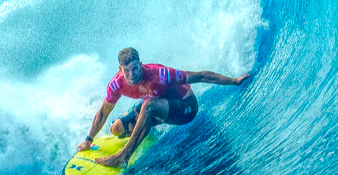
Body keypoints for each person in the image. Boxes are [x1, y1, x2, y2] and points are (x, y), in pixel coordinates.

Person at [77, 47, 252, 167]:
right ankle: (146, 128)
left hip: (185, 107)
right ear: (120, 70)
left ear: (141, 64)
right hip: (155, 104)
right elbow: (103, 112)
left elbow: (198, 76)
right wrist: (89, 139)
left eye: (135, 68)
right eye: (127, 71)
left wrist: (234, 81)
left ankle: (124, 156)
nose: (132, 74)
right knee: (116, 128)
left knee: (149, 105)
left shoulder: (159, 74)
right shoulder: (116, 85)